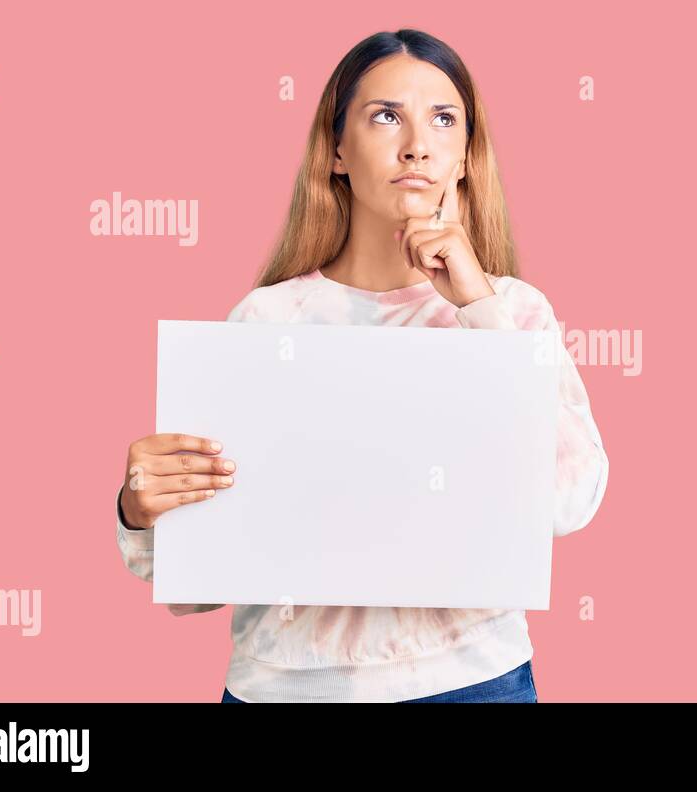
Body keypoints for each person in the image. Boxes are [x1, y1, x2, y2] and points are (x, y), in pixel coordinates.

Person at [114, 29, 608, 703]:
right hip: (282, 689)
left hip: (470, 682)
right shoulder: (269, 321)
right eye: (385, 116)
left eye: (443, 118)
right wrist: (139, 512)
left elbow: (568, 500)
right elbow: (199, 585)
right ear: (338, 150)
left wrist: (476, 306)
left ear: (466, 156)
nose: (417, 144)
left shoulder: (511, 312)